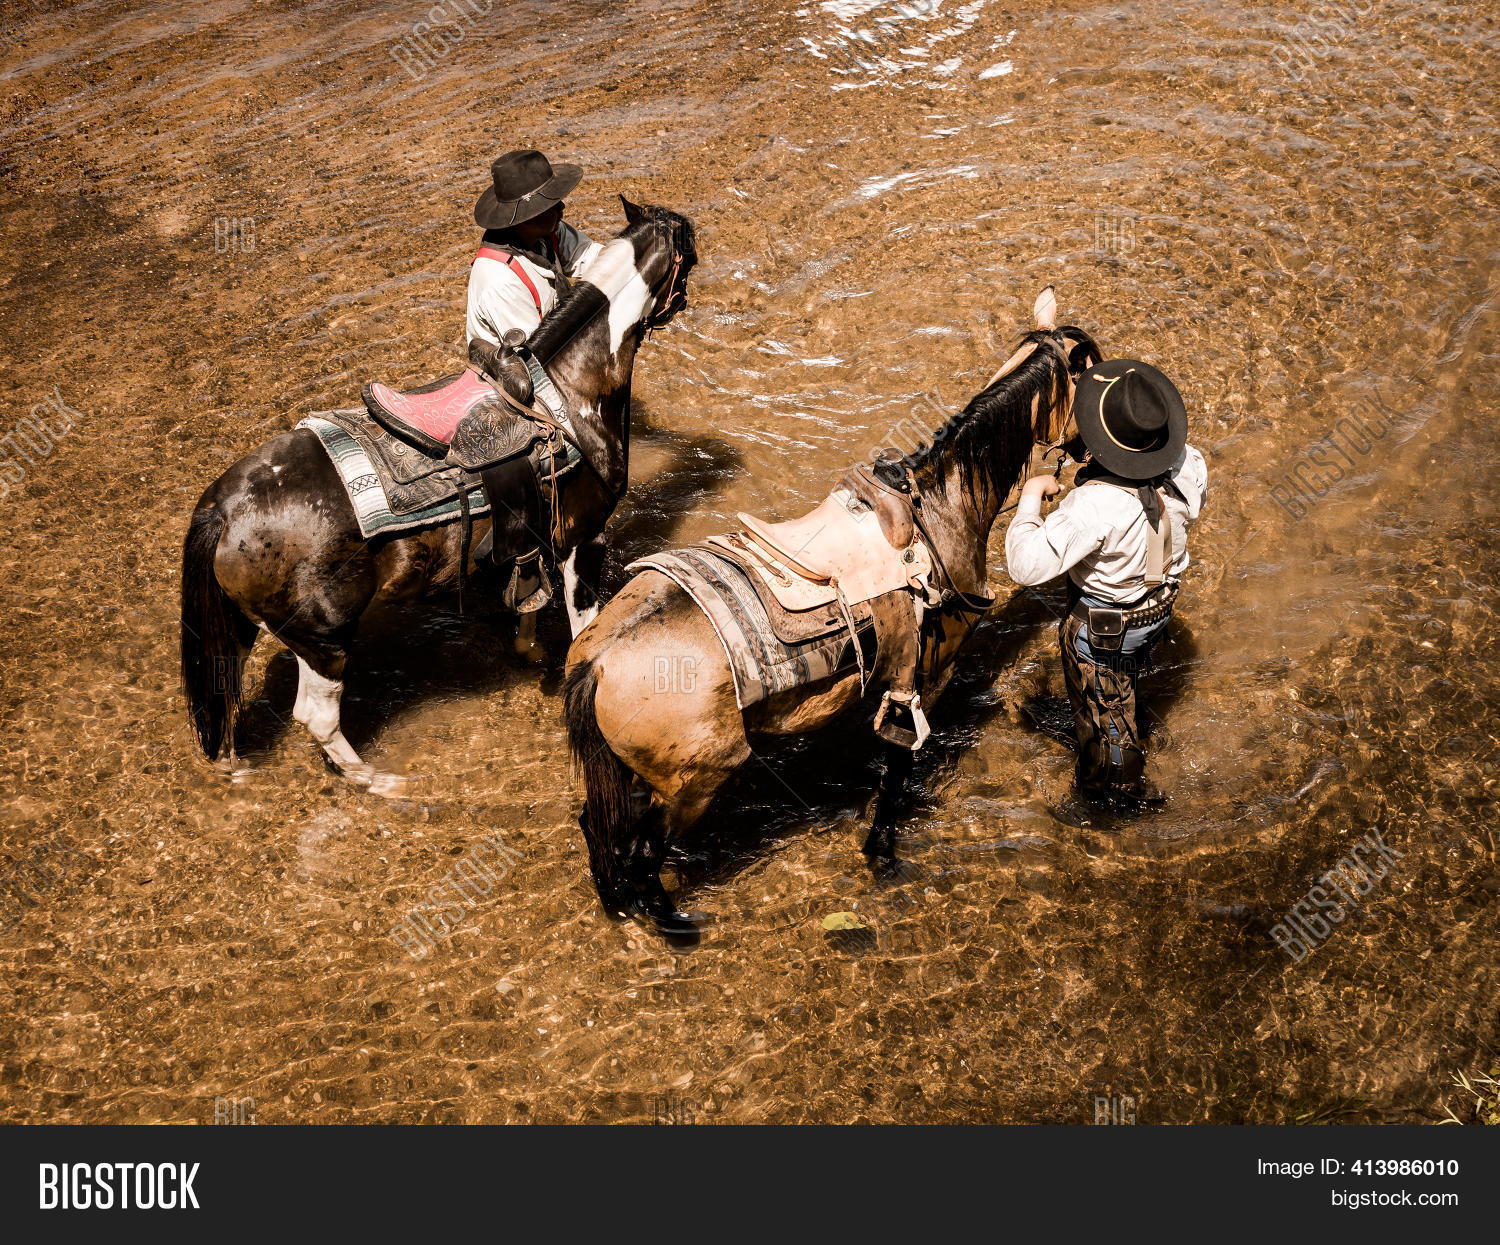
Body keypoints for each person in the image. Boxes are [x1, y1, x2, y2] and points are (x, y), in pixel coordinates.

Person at [1004, 360, 1208, 805]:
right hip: (1160, 602)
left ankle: (1112, 801)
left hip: (1104, 626)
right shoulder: (1190, 462)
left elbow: (1025, 565)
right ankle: (1125, 707)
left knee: (1110, 728)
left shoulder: (1092, 505)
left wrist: (1030, 499)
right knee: (1127, 684)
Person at [466, 149, 600, 368]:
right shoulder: (499, 279)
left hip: (556, 347)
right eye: (551, 204)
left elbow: (592, 257)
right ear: (526, 218)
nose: (562, 207)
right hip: (522, 375)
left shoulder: (547, 233)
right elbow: (536, 357)